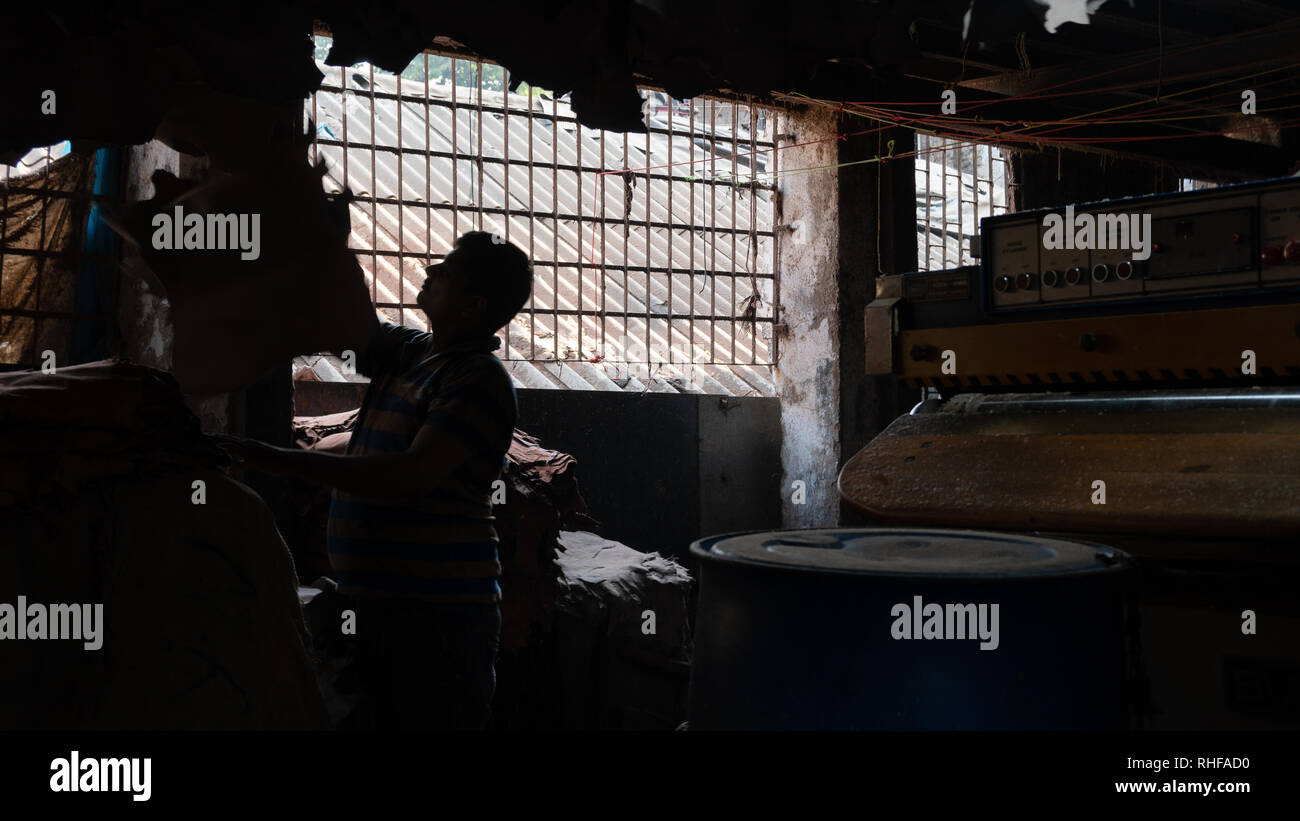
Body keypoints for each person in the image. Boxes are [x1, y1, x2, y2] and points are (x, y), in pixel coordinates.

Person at [218, 231, 531, 730]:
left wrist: (281, 461)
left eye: (445, 271)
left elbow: (407, 476)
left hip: (438, 618)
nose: (429, 271)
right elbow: (349, 323)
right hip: (384, 607)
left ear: (471, 306)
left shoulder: (477, 381)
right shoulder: (411, 351)